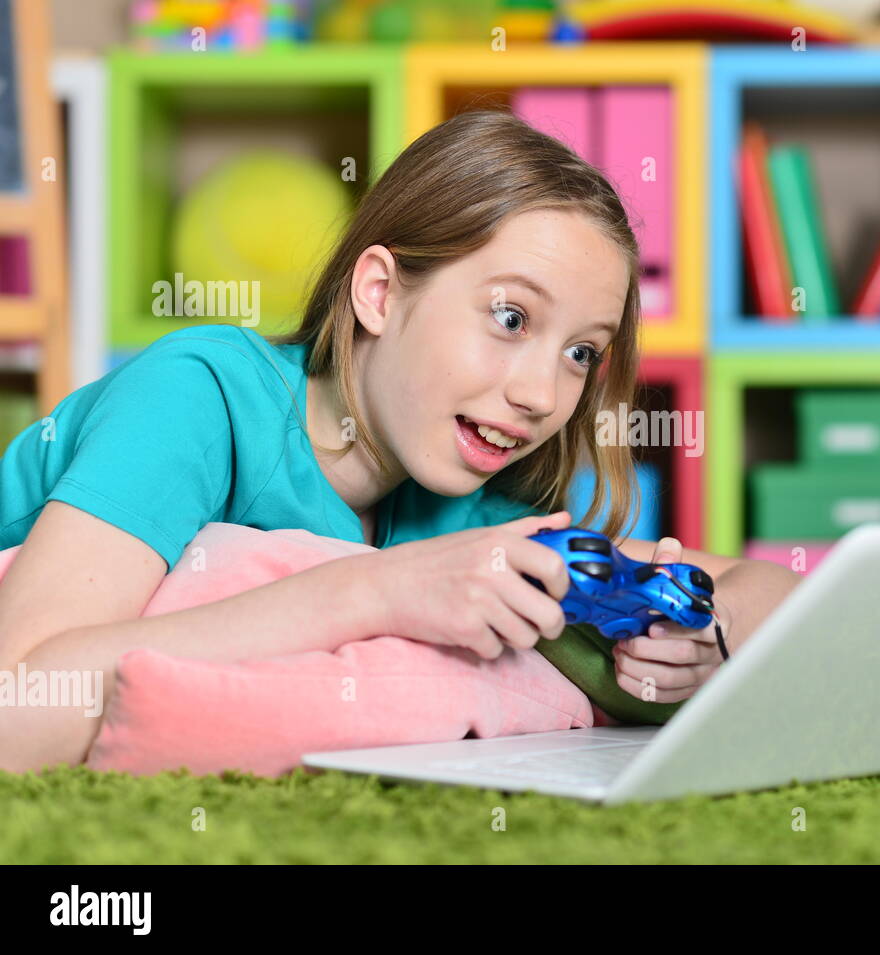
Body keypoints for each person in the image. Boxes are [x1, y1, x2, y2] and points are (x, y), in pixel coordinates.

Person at [0, 110, 801, 772]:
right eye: (511, 318)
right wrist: (379, 588)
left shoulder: (469, 500)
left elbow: (774, 589)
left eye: (580, 353)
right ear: (379, 293)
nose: (541, 394)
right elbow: (14, 706)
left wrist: (708, 637)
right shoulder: (198, 399)